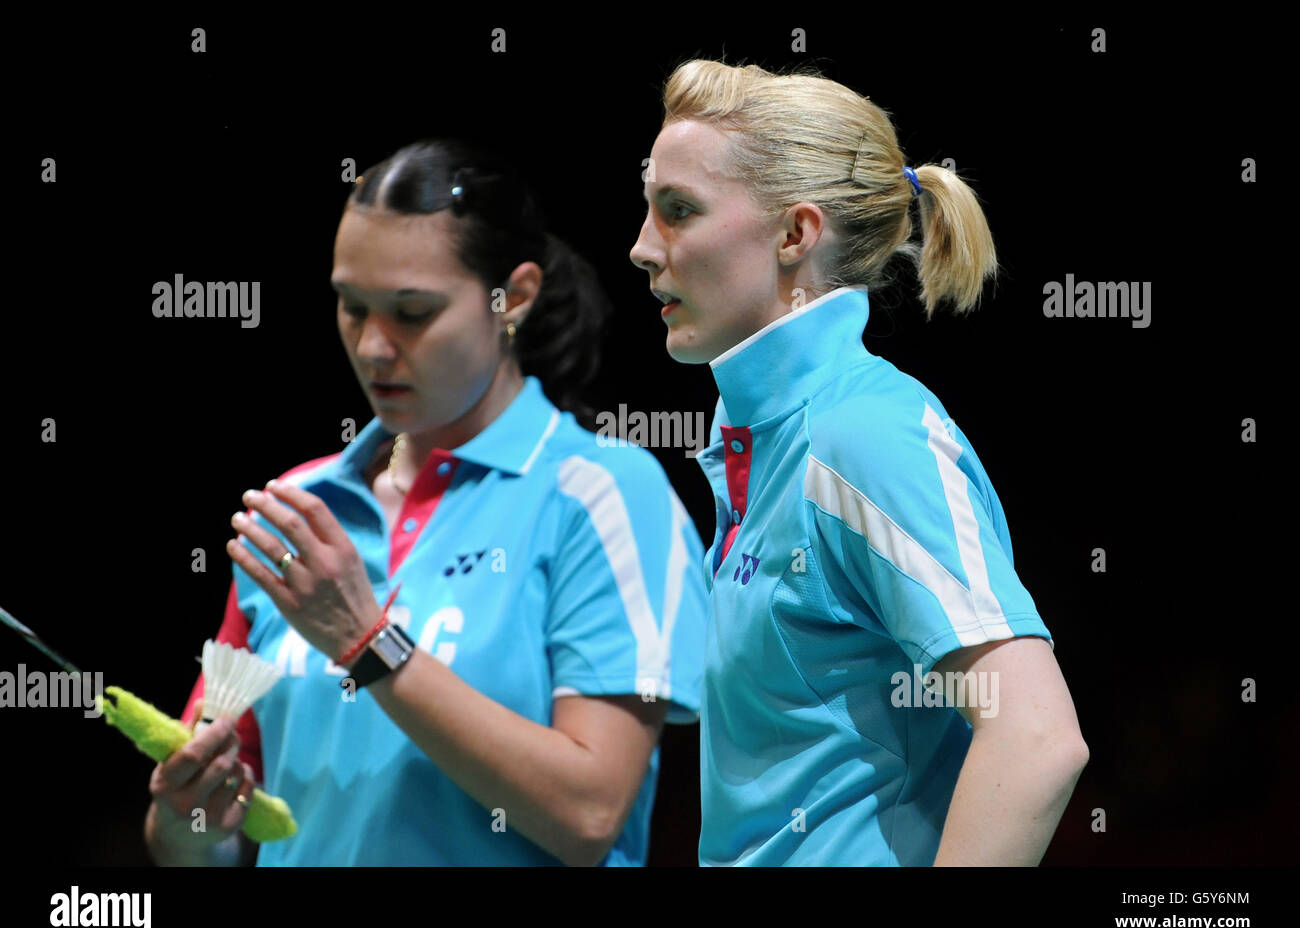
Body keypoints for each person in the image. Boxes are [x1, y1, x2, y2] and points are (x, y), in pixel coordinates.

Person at [144, 138, 708, 866]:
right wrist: (186, 814)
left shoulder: (603, 496)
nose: (374, 347)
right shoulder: (296, 511)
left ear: (517, 296)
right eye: (352, 308)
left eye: (412, 313)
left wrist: (367, 643)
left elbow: (590, 813)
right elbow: (206, 846)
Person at [629, 59, 1089, 866]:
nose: (641, 248)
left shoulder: (865, 435)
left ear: (795, 234)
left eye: (678, 211)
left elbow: (1038, 736)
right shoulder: (761, 434)